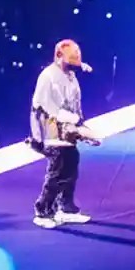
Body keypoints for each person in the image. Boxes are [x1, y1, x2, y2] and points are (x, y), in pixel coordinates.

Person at [28, 39, 100, 228]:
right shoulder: (48, 76)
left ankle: (66, 208)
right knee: (57, 172)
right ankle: (43, 211)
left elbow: (75, 103)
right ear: (59, 55)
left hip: (68, 130)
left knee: (71, 169)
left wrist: (81, 127)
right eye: (73, 57)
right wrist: (70, 120)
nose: (77, 61)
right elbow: (43, 105)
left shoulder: (71, 76)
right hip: (51, 130)